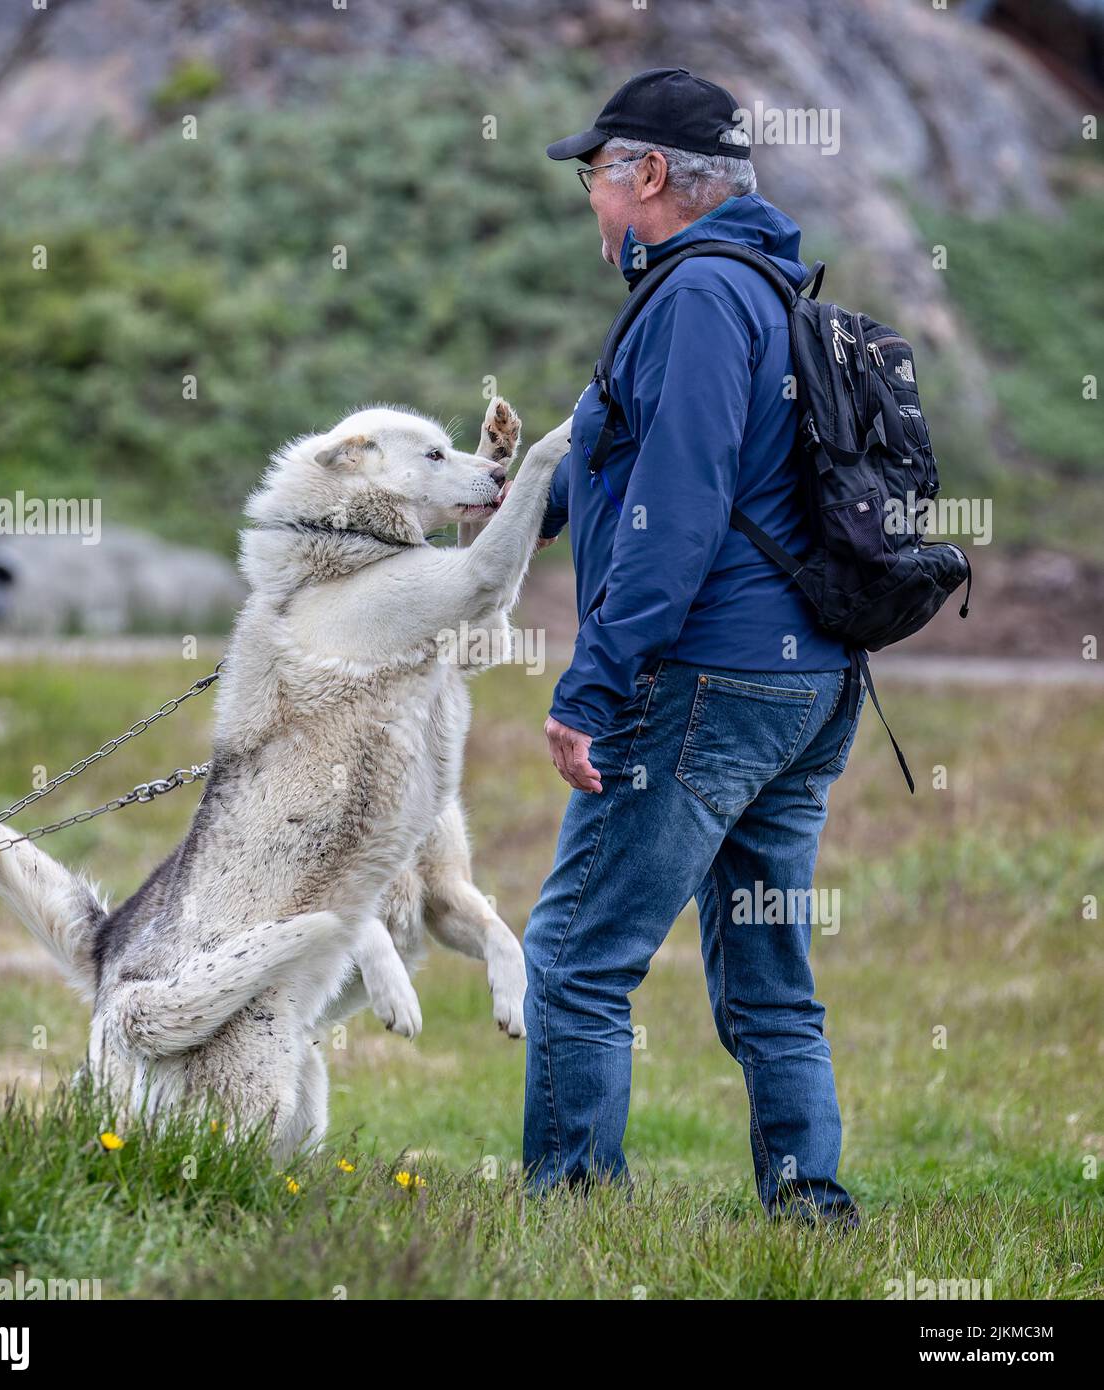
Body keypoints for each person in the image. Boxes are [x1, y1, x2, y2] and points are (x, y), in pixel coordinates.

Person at [523, 67, 861, 1225]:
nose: (591, 206)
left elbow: (681, 498)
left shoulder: (695, 294)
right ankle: (809, 1205)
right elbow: (635, 450)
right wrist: (518, 500)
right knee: (768, 979)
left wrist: (593, 681)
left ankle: (569, 1220)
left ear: (649, 174)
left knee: (572, 957)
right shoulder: (762, 283)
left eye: (594, 177)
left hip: (706, 683)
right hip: (805, 684)